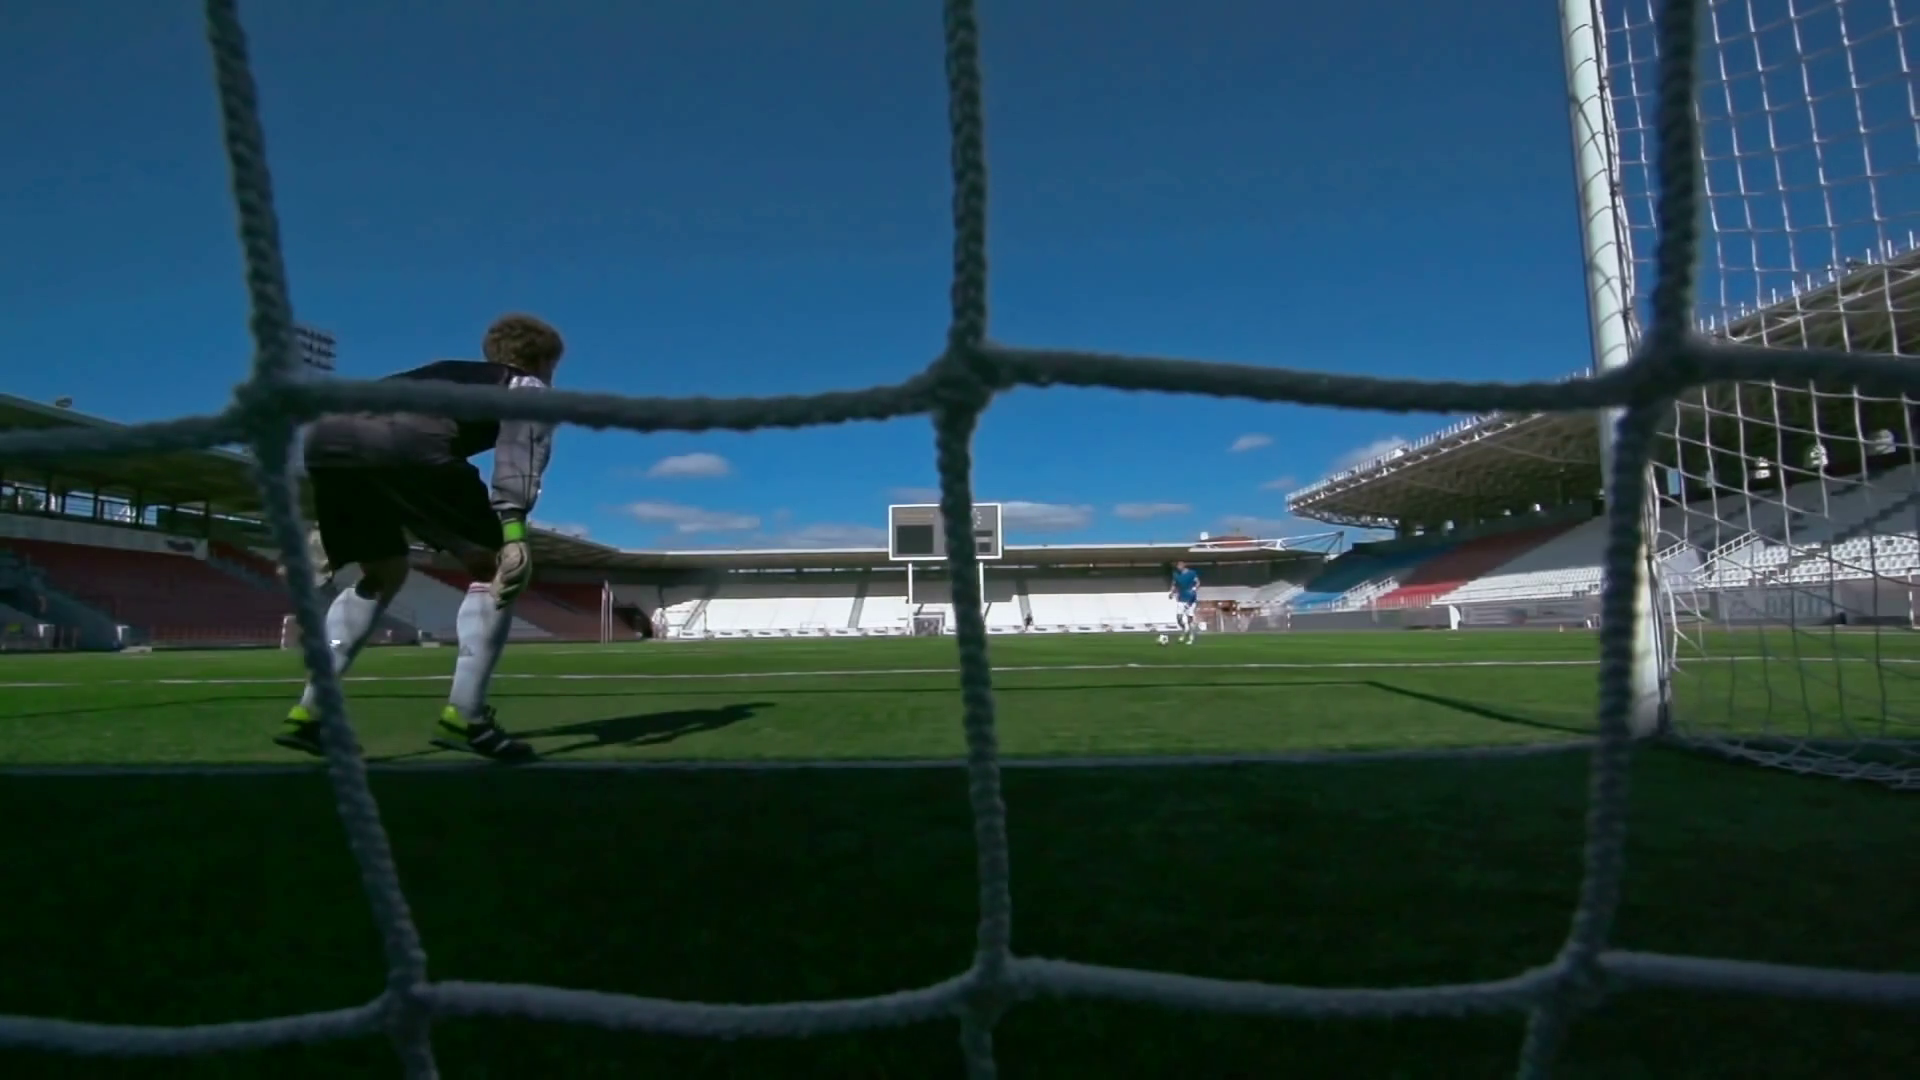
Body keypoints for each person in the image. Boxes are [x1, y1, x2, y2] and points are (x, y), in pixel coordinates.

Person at [274, 313, 564, 762]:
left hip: (328, 441)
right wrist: (513, 529)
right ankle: (466, 717)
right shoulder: (524, 386)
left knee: (383, 570)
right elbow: (520, 453)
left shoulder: (444, 371)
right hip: (406, 441)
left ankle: (311, 713)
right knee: (495, 571)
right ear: (543, 360)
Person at [1169, 560, 1201, 645]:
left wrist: (1194, 589)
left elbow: (1197, 582)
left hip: (1190, 599)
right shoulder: (1176, 574)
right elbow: (1174, 584)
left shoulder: (1191, 573)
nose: (1178, 567)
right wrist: (1172, 593)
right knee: (1179, 618)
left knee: (1189, 619)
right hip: (1181, 598)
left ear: (1183, 566)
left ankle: (1191, 637)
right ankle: (1184, 630)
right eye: (1177, 566)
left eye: (1179, 566)